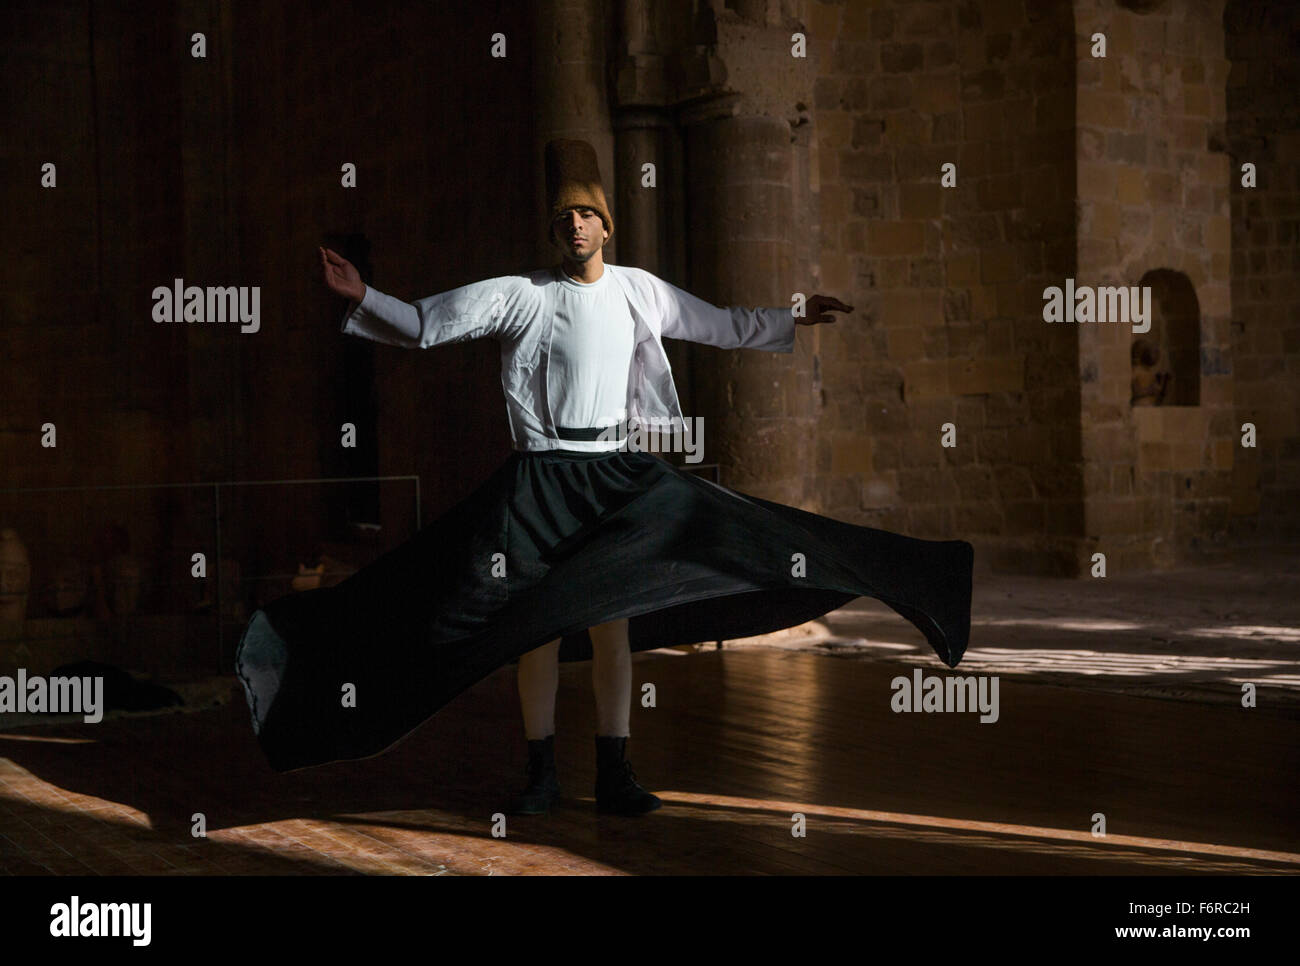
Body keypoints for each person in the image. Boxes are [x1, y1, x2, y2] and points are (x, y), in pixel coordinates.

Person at [235, 139, 974, 819]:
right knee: (535, 631)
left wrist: (793, 314)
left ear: (608, 226)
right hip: (541, 481)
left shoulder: (638, 291)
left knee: (614, 619)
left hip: (617, 475)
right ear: (556, 229)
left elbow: (718, 323)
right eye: (566, 216)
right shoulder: (523, 293)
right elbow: (433, 322)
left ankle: (616, 773)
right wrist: (365, 296)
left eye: (588, 213)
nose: (577, 226)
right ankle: (540, 774)